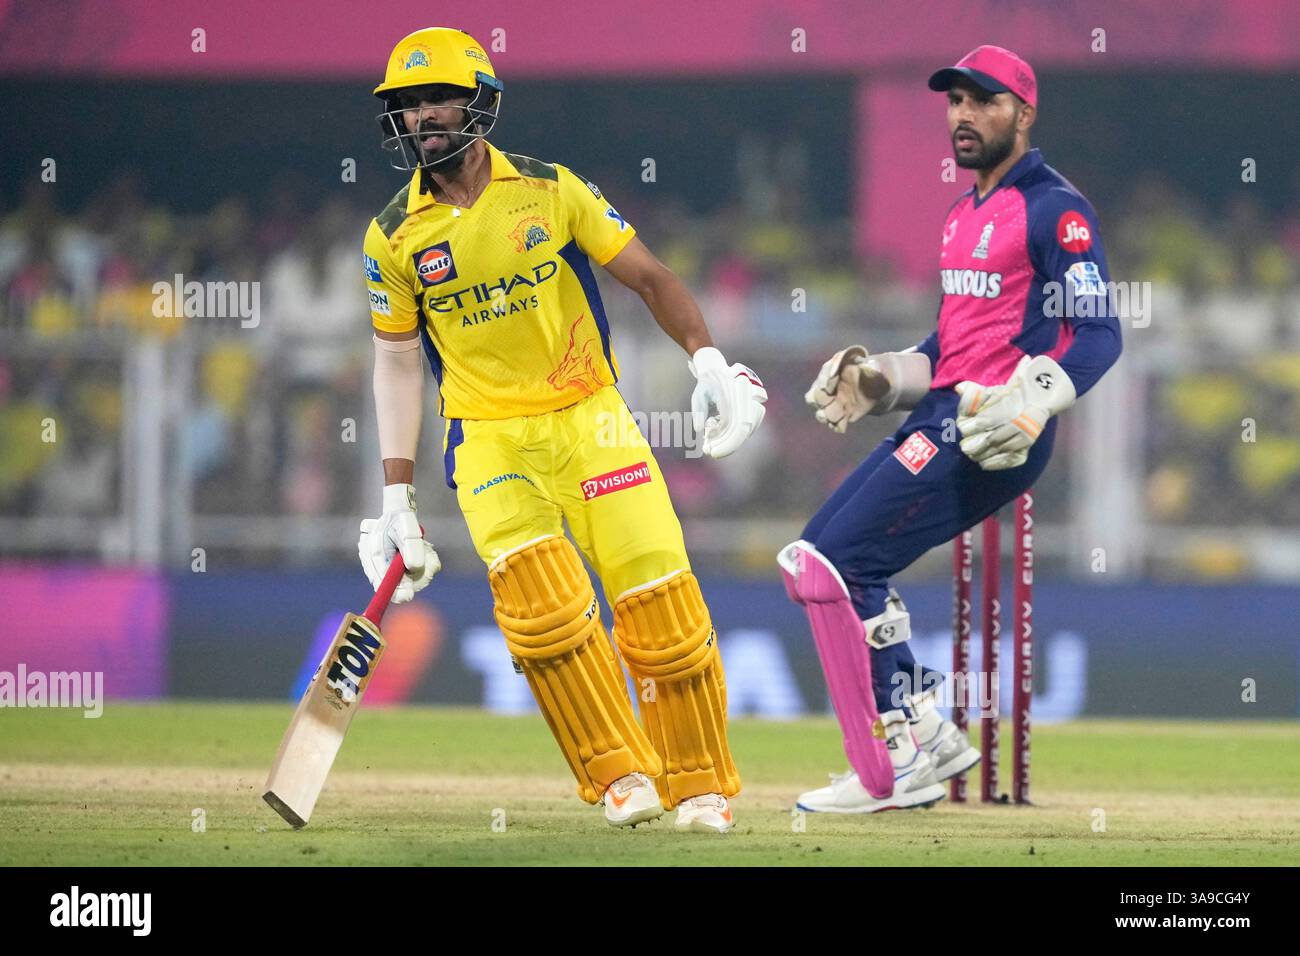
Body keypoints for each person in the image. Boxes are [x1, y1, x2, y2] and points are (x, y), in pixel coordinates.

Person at [356, 28, 767, 832]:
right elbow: (398, 365)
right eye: (406, 106)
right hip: (488, 439)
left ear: (481, 103)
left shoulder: (551, 190)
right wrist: (394, 499)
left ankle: (701, 784)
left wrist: (711, 362)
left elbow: (649, 276)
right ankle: (620, 777)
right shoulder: (392, 236)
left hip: (593, 419)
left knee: (660, 603)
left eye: (437, 98)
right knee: (543, 619)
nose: (421, 118)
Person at [782, 45, 1122, 812]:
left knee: (829, 562)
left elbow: (1098, 333)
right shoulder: (962, 213)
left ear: (1024, 115)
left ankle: (897, 756)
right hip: (941, 414)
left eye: (985, 101)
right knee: (824, 563)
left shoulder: (1054, 208)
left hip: (986, 432)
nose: (965, 116)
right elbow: (947, 348)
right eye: (956, 101)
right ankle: (919, 733)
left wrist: (1034, 402)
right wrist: (881, 380)